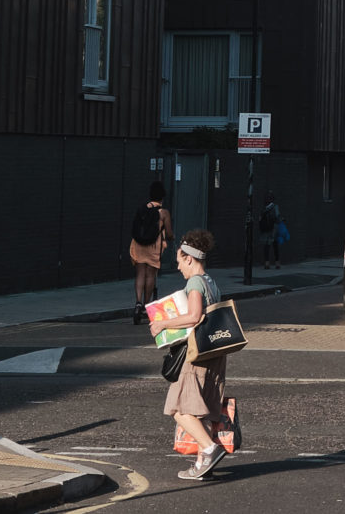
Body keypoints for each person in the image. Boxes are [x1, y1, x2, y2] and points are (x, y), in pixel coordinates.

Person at [155, 229, 231, 481]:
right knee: (204, 410)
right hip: (214, 353)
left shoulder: (195, 283)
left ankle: (210, 449)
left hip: (197, 355)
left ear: (189, 258)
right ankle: (202, 465)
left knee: (178, 408)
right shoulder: (210, 281)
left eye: (178, 261)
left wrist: (163, 324)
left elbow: (194, 316)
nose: (178, 267)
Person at [128, 182, 172, 325]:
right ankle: (147, 306)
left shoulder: (142, 209)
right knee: (150, 275)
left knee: (140, 273)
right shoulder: (163, 213)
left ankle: (138, 303)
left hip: (139, 245)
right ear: (162, 197)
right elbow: (170, 234)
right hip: (153, 247)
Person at [258, 193, 282, 269]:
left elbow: (260, 219)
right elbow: (278, 218)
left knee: (267, 246)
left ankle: (267, 263)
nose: (266, 200)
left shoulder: (264, 208)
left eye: (268, 198)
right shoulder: (275, 207)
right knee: (275, 246)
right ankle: (277, 263)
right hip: (273, 229)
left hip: (267, 230)